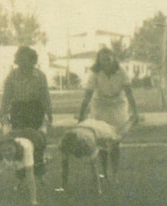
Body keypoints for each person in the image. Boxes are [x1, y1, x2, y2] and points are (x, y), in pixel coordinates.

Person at [76, 46, 139, 175]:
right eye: (103, 60)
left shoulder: (121, 72)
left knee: (115, 141)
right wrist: (81, 115)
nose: (106, 63)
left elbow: (129, 94)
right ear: (98, 61)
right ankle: (104, 172)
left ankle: (114, 173)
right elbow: (87, 96)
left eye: (108, 60)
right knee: (102, 140)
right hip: (100, 106)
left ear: (114, 60)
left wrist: (135, 113)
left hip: (118, 106)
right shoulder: (94, 73)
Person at [56, 118, 123, 194]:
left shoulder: (88, 143)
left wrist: (98, 190)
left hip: (100, 130)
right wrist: (63, 186)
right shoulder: (63, 143)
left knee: (115, 140)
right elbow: (64, 166)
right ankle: (106, 175)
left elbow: (93, 167)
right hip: (84, 127)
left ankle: (112, 175)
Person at [0, 46, 53, 133]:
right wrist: (4, 121)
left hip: (36, 113)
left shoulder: (40, 76)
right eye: (21, 63)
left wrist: (49, 117)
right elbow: (5, 100)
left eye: (27, 63)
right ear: (18, 62)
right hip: (18, 114)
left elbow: (46, 99)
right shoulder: (12, 77)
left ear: (33, 62)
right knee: (19, 141)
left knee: (36, 141)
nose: (24, 67)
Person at [0, 131, 46, 205]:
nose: (7, 153)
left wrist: (33, 201)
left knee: (36, 167)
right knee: (19, 168)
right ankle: (19, 183)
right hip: (19, 137)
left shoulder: (26, 149)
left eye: (10, 149)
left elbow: (30, 176)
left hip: (35, 140)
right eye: (4, 150)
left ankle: (42, 176)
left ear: (15, 147)